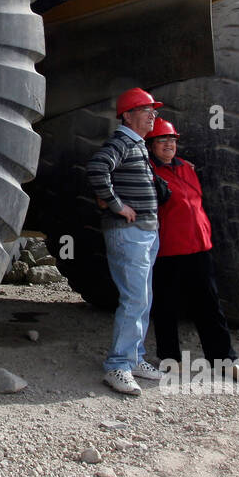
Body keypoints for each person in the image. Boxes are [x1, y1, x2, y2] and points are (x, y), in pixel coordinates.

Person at [145, 117, 239, 382]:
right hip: (168, 250)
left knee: (210, 306)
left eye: (172, 139)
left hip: (199, 247)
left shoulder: (186, 169)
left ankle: (224, 360)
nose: (169, 144)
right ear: (151, 145)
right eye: (162, 140)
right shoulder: (146, 171)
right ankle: (170, 360)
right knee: (166, 308)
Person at [86, 87, 163, 395]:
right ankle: (117, 365)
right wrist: (117, 205)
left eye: (153, 110)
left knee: (142, 298)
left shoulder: (139, 145)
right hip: (128, 234)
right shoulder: (122, 141)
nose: (153, 115)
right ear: (128, 116)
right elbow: (97, 168)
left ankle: (134, 358)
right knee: (135, 298)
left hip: (143, 232)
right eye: (146, 110)